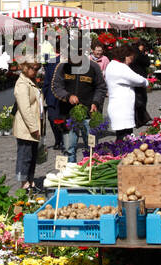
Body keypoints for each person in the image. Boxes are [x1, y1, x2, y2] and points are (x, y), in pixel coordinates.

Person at [52, 45, 107, 162]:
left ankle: (91, 172)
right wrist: (68, 96)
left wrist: (96, 102)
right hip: (68, 115)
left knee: (92, 148)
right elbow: (56, 87)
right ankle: (70, 174)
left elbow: (101, 88)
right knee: (68, 149)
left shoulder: (93, 67)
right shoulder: (62, 67)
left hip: (89, 115)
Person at [12, 59, 45, 190]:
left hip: (34, 124)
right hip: (26, 127)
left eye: (38, 69)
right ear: (27, 68)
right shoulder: (21, 84)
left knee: (32, 156)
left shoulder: (31, 81)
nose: (37, 72)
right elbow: (25, 108)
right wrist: (33, 127)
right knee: (25, 155)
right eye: (35, 69)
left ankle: (30, 180)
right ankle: (23, 182)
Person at [104, 44, 149, 140]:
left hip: (118, 107)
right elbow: (139, 80)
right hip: (122, 108)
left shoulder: (112, 65)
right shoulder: (120, 67)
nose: (131, 61)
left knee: (122, 136)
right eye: (131, 58)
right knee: (124, 138)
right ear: (126, 56)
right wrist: (146, 82)